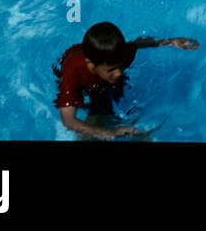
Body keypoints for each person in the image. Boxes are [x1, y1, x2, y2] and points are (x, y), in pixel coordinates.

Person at [54, 21, 198, 142]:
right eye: (112, 70)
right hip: (85, 82)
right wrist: (109, 133)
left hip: (101, 74)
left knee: (118, 108)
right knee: (90, 130)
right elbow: (69, 121)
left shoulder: (118, 56)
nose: (119, 73)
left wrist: (171, 42)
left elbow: (136, 44)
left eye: (121, 66)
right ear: (91, 65)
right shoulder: (73, 72)